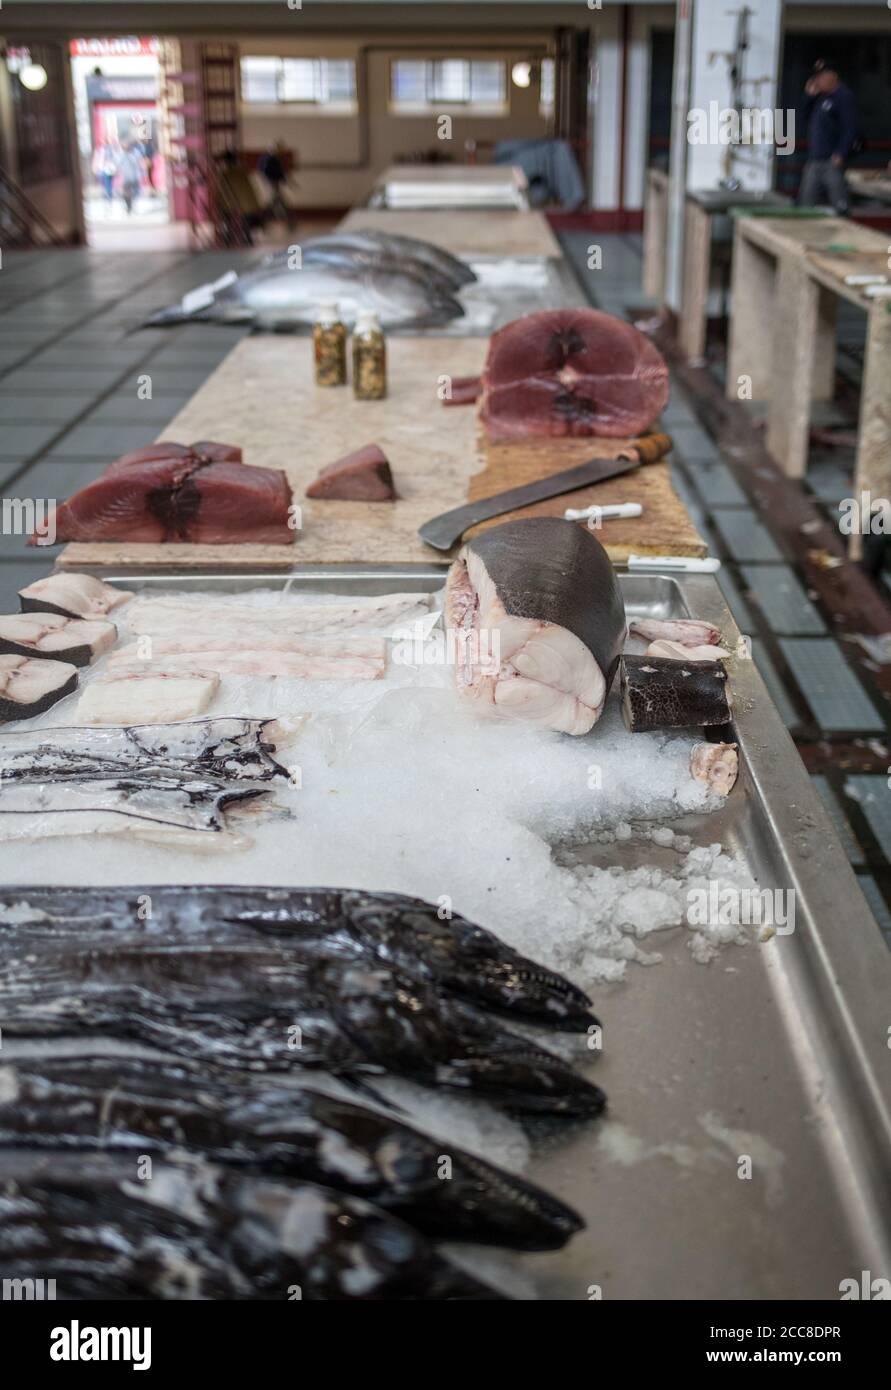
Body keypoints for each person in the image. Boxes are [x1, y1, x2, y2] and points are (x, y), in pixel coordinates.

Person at [799, 60, 858, 214]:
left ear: (833, 76)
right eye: (817, 77)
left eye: (822, 76)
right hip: (814, 159)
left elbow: (850, 128)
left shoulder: (843, 97)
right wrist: (808, 97)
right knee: (805, 203)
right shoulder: (819, 98)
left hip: (832, 160)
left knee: (840, 204)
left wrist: (841, 152)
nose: (818, 80)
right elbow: (803, 118)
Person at [257, 141, 291, 224]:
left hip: (273, 182)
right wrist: (278, 180)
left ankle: (283, 216)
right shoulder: (270, 158)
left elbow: (278, 171)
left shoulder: (269, 157)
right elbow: (271, 171)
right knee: (276, 199)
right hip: (272, 182)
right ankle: (285, 217)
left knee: (276, 199)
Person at [117, 140, 144, 215]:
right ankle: (128, 206)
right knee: (126, 193)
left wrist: (130, 155)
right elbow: (118, 163)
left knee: (135, 192)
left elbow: (137, 163)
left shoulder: (135, 153)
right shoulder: (121, 154)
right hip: (126, 177)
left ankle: (133, 206)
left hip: (134, 176)